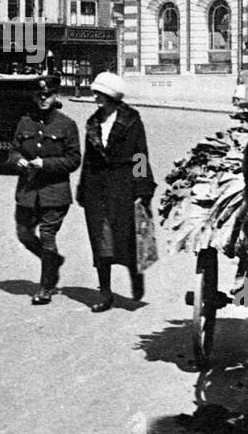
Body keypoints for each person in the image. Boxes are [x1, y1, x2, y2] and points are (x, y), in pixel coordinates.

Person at [76, 71, 156, 312]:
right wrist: (82, 187)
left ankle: (135, 274)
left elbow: (140, 155)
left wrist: (142, 187)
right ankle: (105, 293)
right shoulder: (93, 123)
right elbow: (88, 159)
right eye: (95, 94)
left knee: (129, 238)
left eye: (99, 94)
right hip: (97, 190)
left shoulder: (131, 121)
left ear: (111, 96)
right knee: (101, 241)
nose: (95, 98)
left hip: (125, 187)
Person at [9, 77, 82, 305]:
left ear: (55, 96)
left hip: (54, 192)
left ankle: (46, 287)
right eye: (39, 96)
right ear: (34, 97)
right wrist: (18, 160)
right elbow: (13, 151)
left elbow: (73, 159)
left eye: (48, 95)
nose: (43, 99)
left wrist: (46, 164)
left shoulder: (66, 125)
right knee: (24, 233)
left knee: (47, 235)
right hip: (28, 192)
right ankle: (53, 261)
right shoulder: (24, 123)